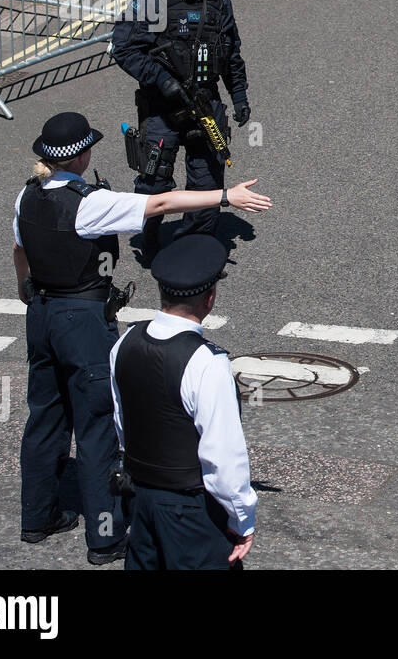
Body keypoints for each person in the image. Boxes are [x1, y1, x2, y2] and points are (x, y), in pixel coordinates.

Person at [13, 112, 271, 564]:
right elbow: (160, 204)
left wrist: (26, 291)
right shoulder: (88, 203)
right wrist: (226, 195)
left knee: (45, 417)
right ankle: (105, 537)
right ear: (81, 153)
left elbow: (19, 249)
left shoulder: (27, 195)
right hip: (82, 318)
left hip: (42, 315)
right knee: (95, 429)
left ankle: (37, 517)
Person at [110, 235, 257, 570]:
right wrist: (242, 518)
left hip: (141, 498)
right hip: (191, 512)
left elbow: (122, 423)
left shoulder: (125, 341)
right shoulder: (207, 362)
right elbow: (222, 457)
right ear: (209, 298)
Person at [110, 0, 252, 261]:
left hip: (206, 106)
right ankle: (152, 241)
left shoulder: (218, 1)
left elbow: (231, 52)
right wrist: (164, 81)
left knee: (208, 184)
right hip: (162, 108)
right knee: (154, 181)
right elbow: (124, 49)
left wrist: (240, 95)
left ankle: (194, 248)